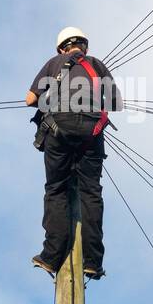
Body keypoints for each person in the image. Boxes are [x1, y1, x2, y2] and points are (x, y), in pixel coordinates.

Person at [26, 26, 122, 280]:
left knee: (56, 189)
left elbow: (29, 99)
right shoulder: (97, 65)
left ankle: (51, 256)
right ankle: (92, 262)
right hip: (91, 132)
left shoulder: (54, 63)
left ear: (62, 48)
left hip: (58, 129)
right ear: (85, 47)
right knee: (91, 193)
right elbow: (114, 102)